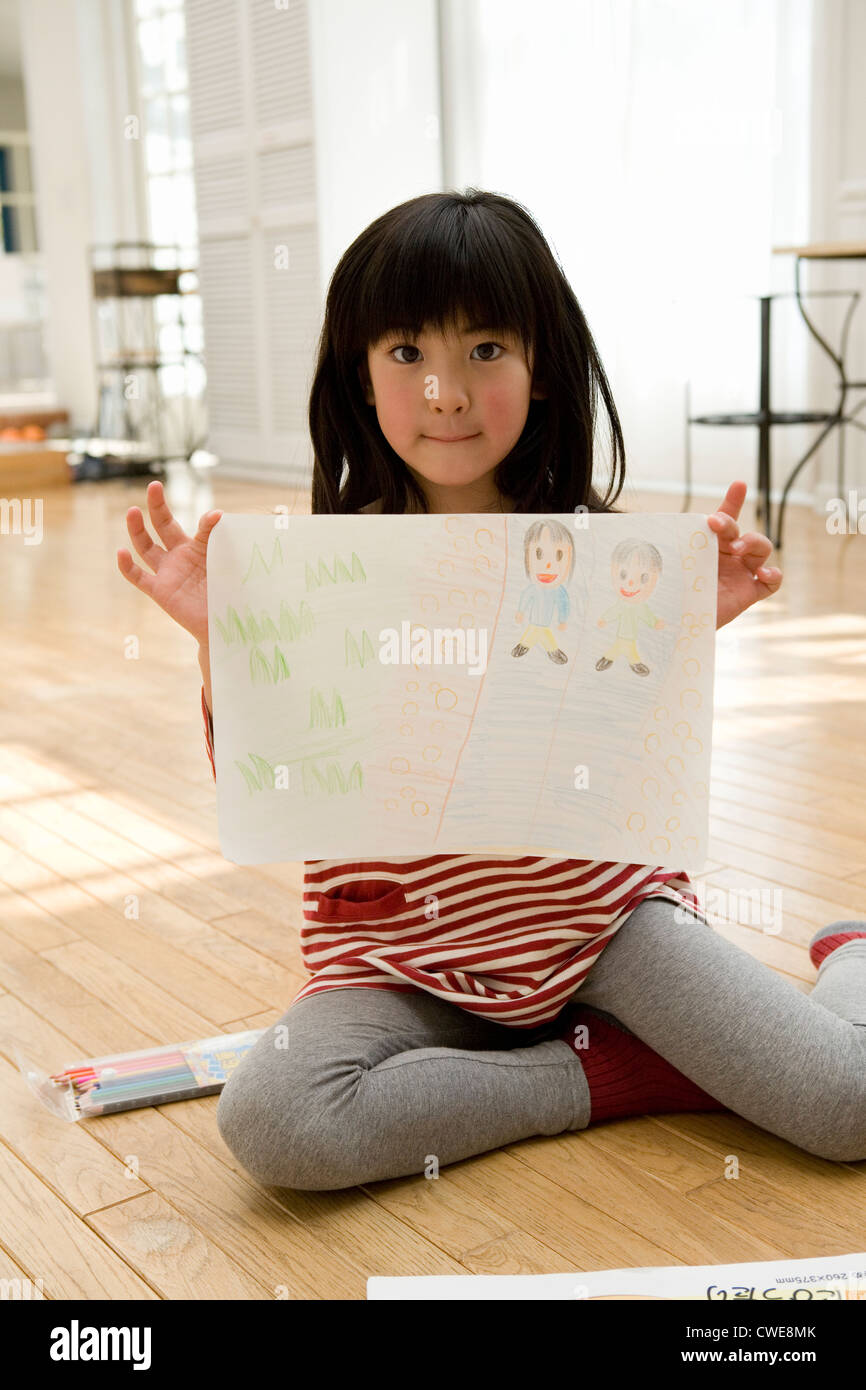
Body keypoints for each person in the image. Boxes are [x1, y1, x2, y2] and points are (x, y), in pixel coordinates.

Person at [118, 189, 866, 1191]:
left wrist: (693, 623)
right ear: (359, 373)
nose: (444, 392)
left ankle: (850, 955)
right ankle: (601, 1072)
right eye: (404, 353)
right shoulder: (316, 570)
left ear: (541, 368)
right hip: (397, 950)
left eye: (482, 351)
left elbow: (622, 754)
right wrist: (226, 648)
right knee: (276, 1122)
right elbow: (280, 781)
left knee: (845, 1102)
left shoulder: (606, 557)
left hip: (600, 921)